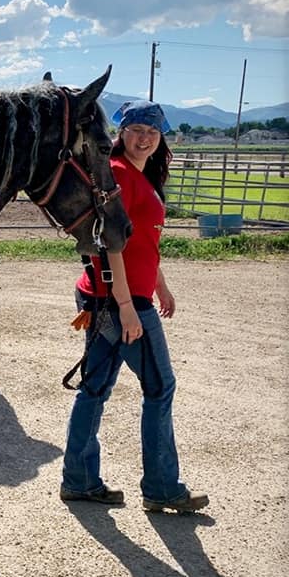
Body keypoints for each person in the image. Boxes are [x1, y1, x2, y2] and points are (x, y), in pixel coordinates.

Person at [60, 100, 209, 513]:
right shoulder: (120, 176)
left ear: (161, 137)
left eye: (153, 131)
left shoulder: (139, 176)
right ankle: (161, 488)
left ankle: (79, 481)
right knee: (160, 388)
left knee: (95, 389)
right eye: (136, 129)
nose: (144, 137)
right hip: (117, 300)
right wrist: (127, 305)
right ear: (121, 133)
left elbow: (143, 240)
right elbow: (108, 246)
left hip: (113, 297)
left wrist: (161, 285)